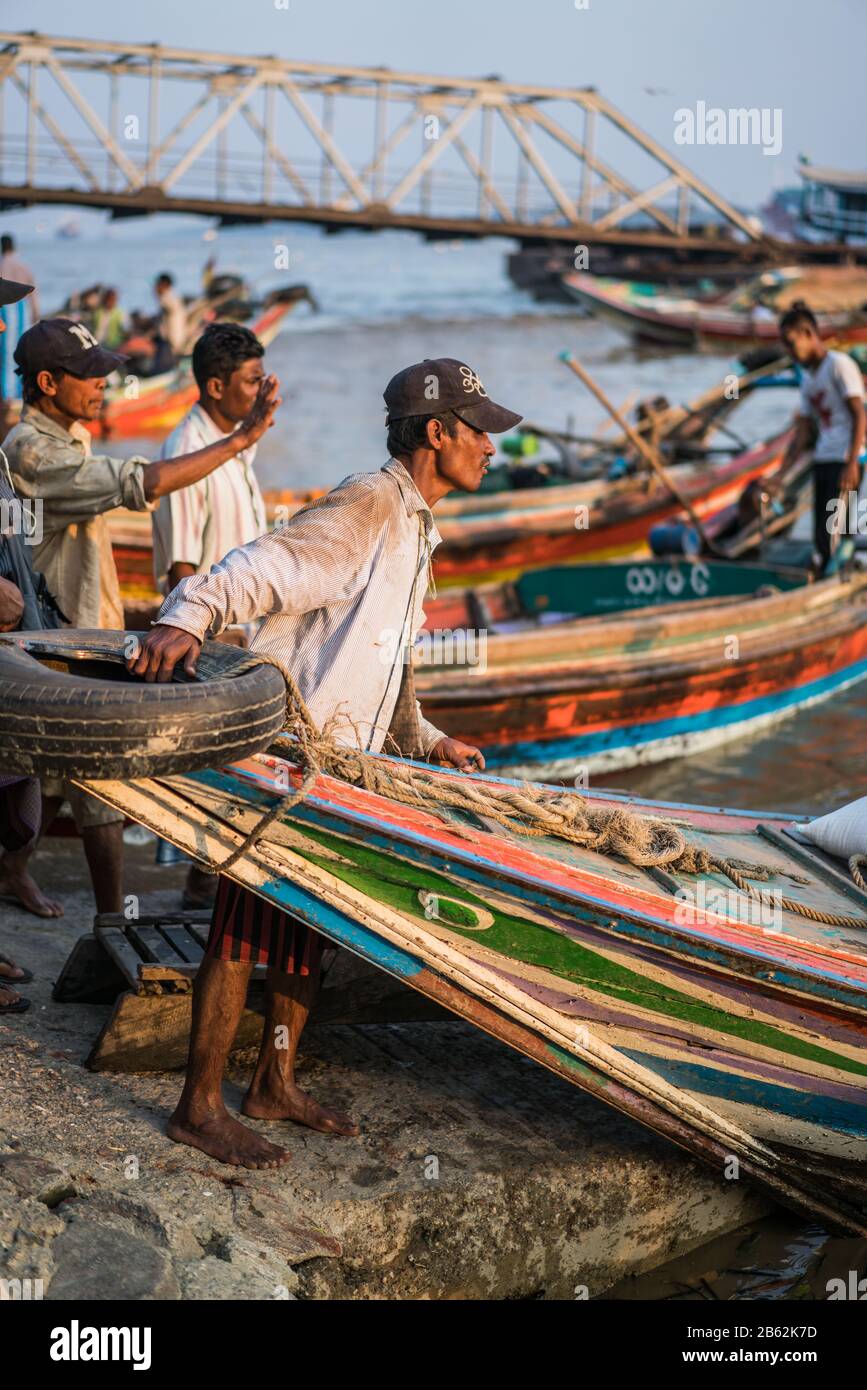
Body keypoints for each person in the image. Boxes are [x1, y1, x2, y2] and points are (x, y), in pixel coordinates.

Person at [127, 356, 521, 1169]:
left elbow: (388, 663)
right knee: (241, 932)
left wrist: (424, 736)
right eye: (480, 432)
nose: (491, 448)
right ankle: (197, 1108)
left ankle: (273, 1081)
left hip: (339, 768)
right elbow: (263, 564)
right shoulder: (371, 502)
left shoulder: (417, 526)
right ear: (437, 432)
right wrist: (188, 616)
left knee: (307, 930)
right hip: (285, 756)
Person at [2, 317, 281, 913]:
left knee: (52, 773)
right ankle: (113, 920)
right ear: (48, 383)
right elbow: (145, 484)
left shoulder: (65, 441)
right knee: (103, 783)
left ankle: (15, 869)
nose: (104, 384)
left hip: (72, 630)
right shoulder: (30, 451)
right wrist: (239, 440)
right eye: (90, 375)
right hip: (55, 641)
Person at [152, 321, 270, 905]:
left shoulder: (235, 444)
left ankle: (219, 880)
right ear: (218, 386)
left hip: (241, 637)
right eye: (251, 380)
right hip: (210, 643)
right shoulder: (187, 450)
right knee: (216, 764)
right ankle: (203, 886)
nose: (261, 389)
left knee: (237, 764)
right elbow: (180, 570)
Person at [779, 302, 866, 574]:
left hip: (844, 460)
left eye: (792, 343)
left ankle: (833, 587)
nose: (790, 352)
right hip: (823, 460)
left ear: (808, 333)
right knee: (821, 534)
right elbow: (802, 433)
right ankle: (829, 578)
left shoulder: (839, 365)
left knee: (835, 533)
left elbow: (860, 415)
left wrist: (852, 462)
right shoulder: (808, 379)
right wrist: (780, 476)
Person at [0, 235, 39, 409]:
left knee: (5, 354)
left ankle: (6, 395)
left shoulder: (2, 264)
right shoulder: (22, 266)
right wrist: (36, 314)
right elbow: (33, 292)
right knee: (18, 351)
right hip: (20, 308)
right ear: (13, 247)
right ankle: (16, 394)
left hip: (6, 308)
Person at [154, 272, 187, 362]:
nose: (155, 287)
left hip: (171, 343)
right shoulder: (175, 297)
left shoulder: (167, 298)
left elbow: (169, 308)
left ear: (164, 285)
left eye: (157, 284)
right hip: (176, 341)